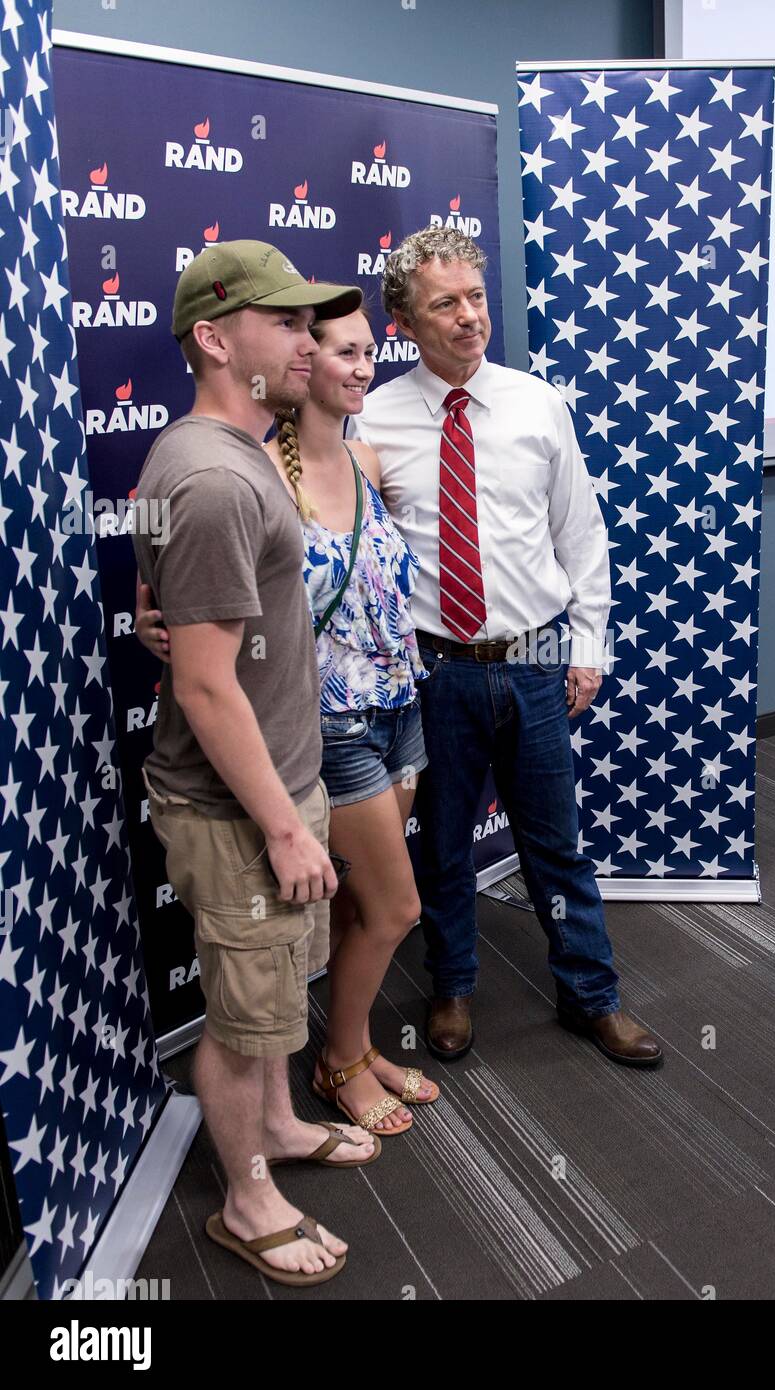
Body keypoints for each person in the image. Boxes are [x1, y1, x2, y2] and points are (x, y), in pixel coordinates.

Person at [352, 227, 663, 1068]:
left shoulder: (536, 404)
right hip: (435, 671)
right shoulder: (371, 420)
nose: (469, 317)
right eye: (444, 304)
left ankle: (592, 996)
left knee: (556, 846)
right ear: (404, 323)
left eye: (476, 297)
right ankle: (451, 986)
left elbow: (580, 533)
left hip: (534, 663)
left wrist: (588, 647)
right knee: (443, 844)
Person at [133, 240, 374, 1289]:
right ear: (215, 339)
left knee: (273, 996)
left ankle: (275, 1124)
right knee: (242, 1021)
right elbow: (203, 687)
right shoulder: (213, 476)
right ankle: (246, 1198)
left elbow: (194, 621)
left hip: (276, 781)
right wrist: (281, 825)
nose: (306, 342)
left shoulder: (229, 454)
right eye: (283, 323)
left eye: (307, 323)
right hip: (239, 811)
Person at [141, 298, 441, 1136]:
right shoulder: (257, 474)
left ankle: (356, 1045)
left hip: (398, 709)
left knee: (358, 908)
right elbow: (178, 589)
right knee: (396, 908)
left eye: (367, 352)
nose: (359, 367)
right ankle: (339, 1061)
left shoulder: (368, 459)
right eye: (340, 350)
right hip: (327, 726)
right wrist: (153, 622)